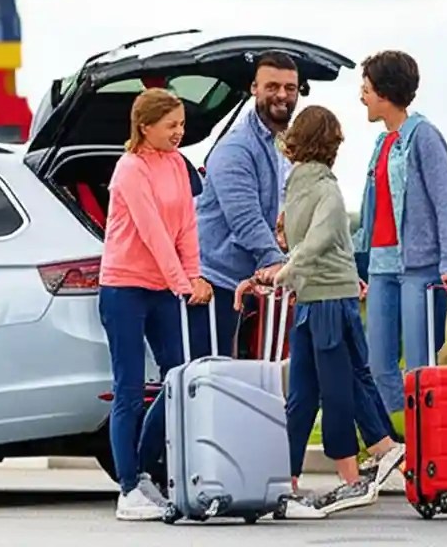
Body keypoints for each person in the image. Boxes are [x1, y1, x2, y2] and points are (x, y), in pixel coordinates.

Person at [237, 106, 405, 518]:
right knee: (319, 394)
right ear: (330, 146)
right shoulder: (314, 186)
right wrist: (282, 273)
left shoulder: (305, 187)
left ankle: (324, 480)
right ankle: (320, 480)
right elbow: (312, 241)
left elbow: (316, 242)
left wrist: (286, 273)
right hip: (322, 301)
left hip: (320, 299)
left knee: (318, 394)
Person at [98, 87, 212, 521]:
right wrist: (182, 282)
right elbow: (151, 232)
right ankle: (128, 489)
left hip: (164, 288)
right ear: (145, 127)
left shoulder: (178, 166)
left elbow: (185, 227)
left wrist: (194, 274)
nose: (179, 133)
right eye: (171, 126)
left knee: (178, 378)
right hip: (124, 288)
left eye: (181, 126)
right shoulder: (129, 169)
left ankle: (144, 469)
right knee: (128, 389)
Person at [351, 50, 447, 418]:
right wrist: (355, 262)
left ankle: (425, 447)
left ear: (384, 92)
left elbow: (445, 203)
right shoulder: (381, 144)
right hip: (381, 266)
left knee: (419, 367)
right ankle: (397, 445)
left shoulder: (424, 137)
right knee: (379, 364)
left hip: (419, 266)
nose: (361, 96)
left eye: (366, 89)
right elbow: (372, 214)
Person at [193, 51, 298, 359]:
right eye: (272, 86)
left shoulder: (289, 146)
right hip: (218, 284)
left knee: (254, 389)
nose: (282, 95)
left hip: (259, 283)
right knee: (208, 380)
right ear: (254, 88)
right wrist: (276, 262)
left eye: (290, 88)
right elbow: (246, 218)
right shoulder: (236, 148)